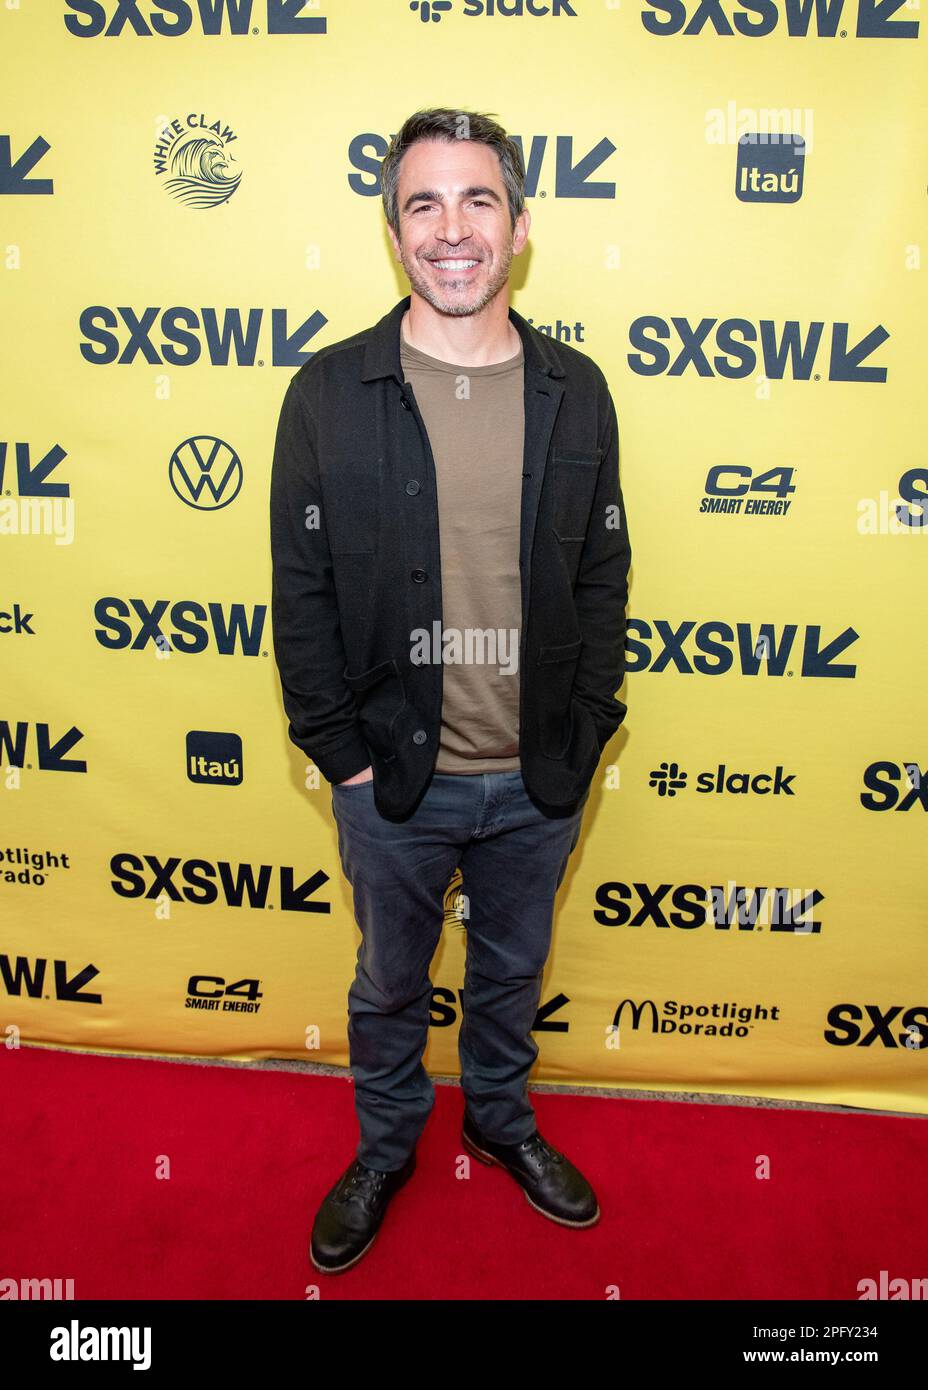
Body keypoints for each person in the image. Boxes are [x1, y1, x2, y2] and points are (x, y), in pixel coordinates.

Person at [269, 107, 632, 1275]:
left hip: (538, 777)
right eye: (423, 202)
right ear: (394, 232)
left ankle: (500, 1119)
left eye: (478, 199)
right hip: (392, 782)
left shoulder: (576, 390)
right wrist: (345, 755)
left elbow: (602, 568)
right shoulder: (329, 392)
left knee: (513, 974)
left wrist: (589, 726)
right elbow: (300, 584)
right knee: (386, 984)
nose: (452, 228)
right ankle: (386, 1148)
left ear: (519, 228)